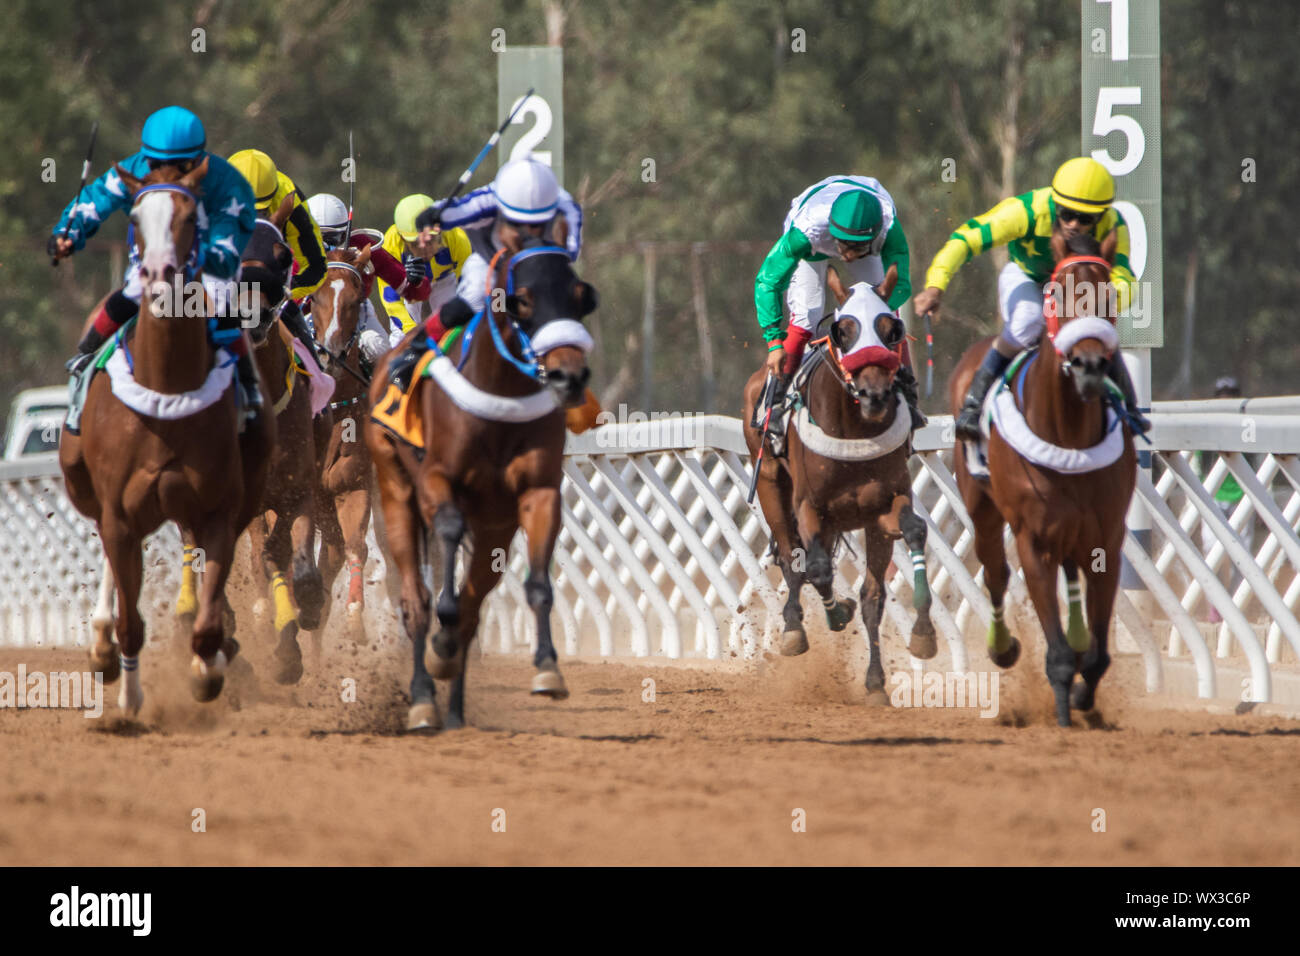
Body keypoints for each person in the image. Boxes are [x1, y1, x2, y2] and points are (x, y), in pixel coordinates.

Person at [913, 156, 1150, 440]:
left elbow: (1123, 273)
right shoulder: (1026, 211)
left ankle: (1131, 410)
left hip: (1075, 285)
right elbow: (967, 238)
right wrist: (935, 285)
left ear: (1101, 216)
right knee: (1029, 320)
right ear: (1054, 203)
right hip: (1026, 276)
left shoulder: (1114, 225)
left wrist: (1109, 297)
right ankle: (973, 404)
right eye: (1066, 214)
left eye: (1085, 219)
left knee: (1096, 330)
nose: (1074, 224)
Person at [48, 106, 262, 417]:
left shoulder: (227, 183)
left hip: (205, 263)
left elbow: (228, 249)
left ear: (197, 161)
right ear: (147, 156)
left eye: (178, 166)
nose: (165, 172)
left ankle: (247, 383)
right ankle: (86, 361)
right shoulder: (135, 169)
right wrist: (65, 235)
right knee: (133, 291)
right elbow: (94, 202)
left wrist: (199, 260)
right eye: (158, 164)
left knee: (220, 299)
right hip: (151, 261)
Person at [753, 175, 923, 451]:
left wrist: (876, 303)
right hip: (814, 239)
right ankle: (772, 404)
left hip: (864, 231)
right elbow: (767, 281)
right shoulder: (805, 232)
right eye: (842, 244)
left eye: (854, 248)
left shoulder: (890, 229)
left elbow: (901, 284)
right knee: (806, 318)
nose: (844, 256)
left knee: (885, 316)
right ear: (833, 233)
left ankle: (909, 396)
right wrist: (773, 340)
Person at [386, 157, 580, 390]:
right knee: (470, 305)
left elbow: (569, 252)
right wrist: (433, 216)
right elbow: (452, 211)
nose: (530, 230)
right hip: (490, 261)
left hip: (538, 263)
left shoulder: (567, 206)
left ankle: (547, 360)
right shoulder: (487, 199)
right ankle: (416, 351)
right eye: (518, 222)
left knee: (548, 298)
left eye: (539, 223)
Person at [304, 192, 436, 366]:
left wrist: (416, 280)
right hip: (310, 311)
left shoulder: (363, 246)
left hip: (357, 309)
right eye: (318, 238)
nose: (327, 247)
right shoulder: (297, 249)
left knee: (378, 347)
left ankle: (384, 391)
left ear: (345, 233)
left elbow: (413, 291)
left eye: (332, 239)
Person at [227, 149, 328, 368]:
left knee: (315, 369)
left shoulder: (290, 199)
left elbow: (316, 267)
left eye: (263, 211)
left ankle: (319, 399)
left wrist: (282, 295)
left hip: (271, 295)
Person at [375, 194, 472, 348]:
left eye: (431, 239)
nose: (424, 248)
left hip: (444, 281)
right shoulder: (390, 244)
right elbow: (392, 301)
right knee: (402, 337)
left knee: (455, 328)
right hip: (409, 285)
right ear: (402, 238)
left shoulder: (457, 237)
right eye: (415, 243)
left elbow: (468, 288)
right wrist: (413, 332)